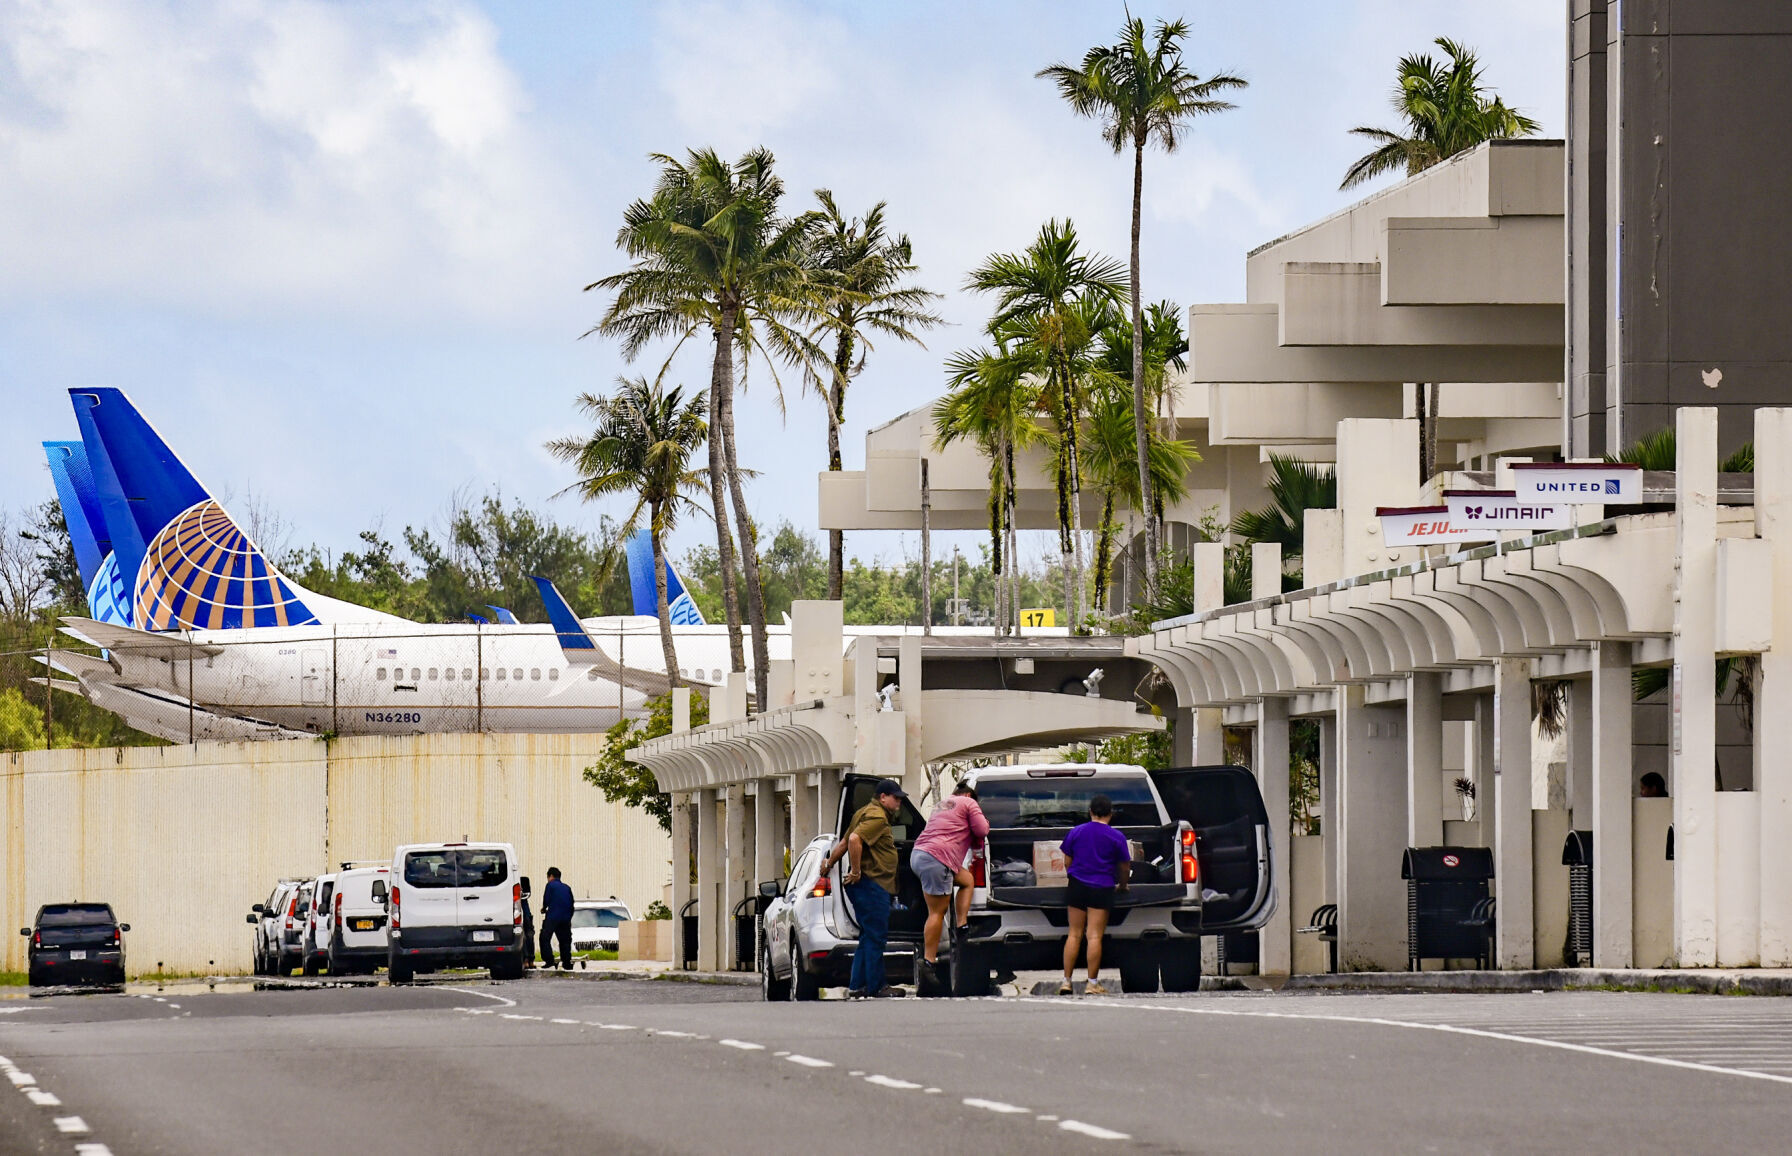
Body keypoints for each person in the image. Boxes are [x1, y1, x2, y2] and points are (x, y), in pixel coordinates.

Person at [820, 779, 906, 998]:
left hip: (867, 885)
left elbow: (843, 842)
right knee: (876, 936)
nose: (898, 803)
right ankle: (877, 986)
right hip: (872, 884)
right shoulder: (877, 817)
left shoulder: (863, 812)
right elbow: (855, 840)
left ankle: (857, 985)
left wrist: (829, 865)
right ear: (883, 797)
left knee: (868, 936)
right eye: (895, 798)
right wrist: (856, 871)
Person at [910, 781, 988, 990]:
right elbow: (982, 829)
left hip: (919, 854)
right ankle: (928, 962)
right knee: (936, 911)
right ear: (971, 796)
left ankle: (961, 926)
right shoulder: (969, 802)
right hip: (938, 858)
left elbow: (965, 834)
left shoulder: (942, 804)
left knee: (966, 880)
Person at [1058, 794, 1131, 996]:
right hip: (1102, 887)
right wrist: (1123, 885)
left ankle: (1066, 981)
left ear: (1090, 812)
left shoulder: (1076, 832)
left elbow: (1067, 861)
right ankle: (1092, 983)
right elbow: (1124, 867)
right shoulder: (1117, 837)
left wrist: (1073, 877)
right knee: (1094, 935)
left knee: (1074, 934)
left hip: (1077, 886)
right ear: (1111, 814)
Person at [539, 866, 574, 970]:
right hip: (566, 918)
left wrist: (544, 908)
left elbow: (547, 900)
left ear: (551, 876)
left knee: (544, 937)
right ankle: (567, 963)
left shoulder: (550, 885)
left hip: (553, 917)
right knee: (565, 940)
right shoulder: (567, 887)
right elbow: (572, 903)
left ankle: (549, 960)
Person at [519, 876, 536, 969]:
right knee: (524, 937)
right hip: (517, 910)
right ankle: (525, 959)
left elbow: (527, 894)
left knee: (529, 935)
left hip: (525, 911)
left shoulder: (523, 880)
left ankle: (530, 959)